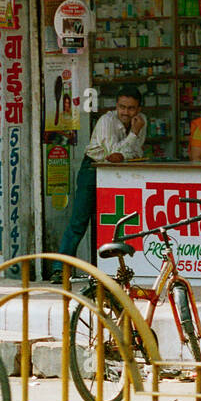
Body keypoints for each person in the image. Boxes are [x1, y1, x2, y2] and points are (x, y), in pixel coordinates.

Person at [49, 86, 146, 283]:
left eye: (131, 108)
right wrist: (132, 135)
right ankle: (60, 269)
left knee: (111, 222)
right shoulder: (106, 121)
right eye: (122, 107)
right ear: (116, 106)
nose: (126, 112)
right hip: (93, 169)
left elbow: (135, 153)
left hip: (118, 174)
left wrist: (125, 149)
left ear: (139, 108)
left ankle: (107, 269)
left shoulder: (141, 122)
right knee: (79, 221)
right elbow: (112, 154)